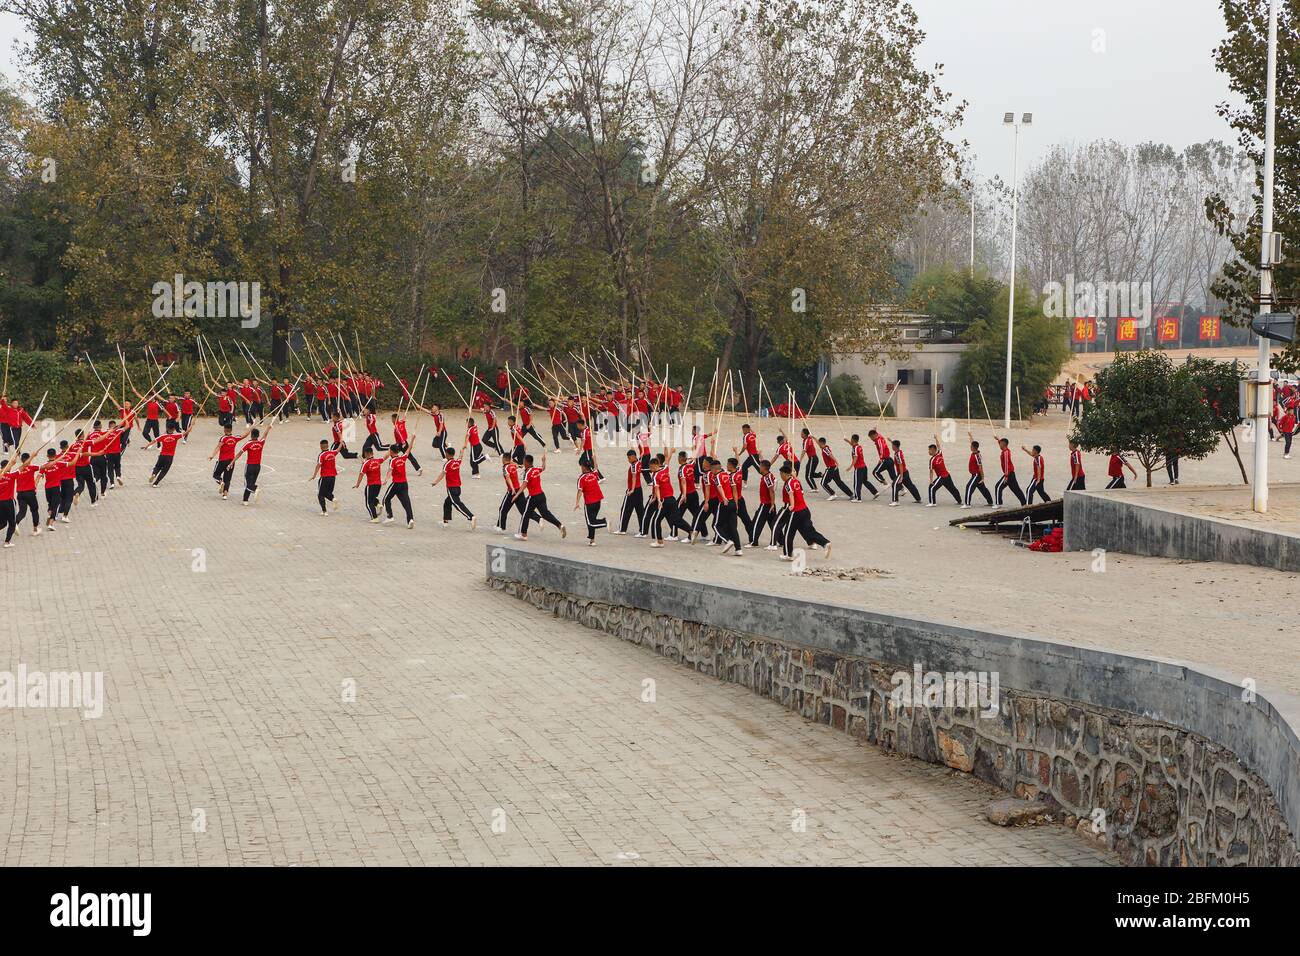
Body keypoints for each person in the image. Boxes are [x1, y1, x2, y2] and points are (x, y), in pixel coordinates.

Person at [778, 462, 830, 560]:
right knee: (809, 532)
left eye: (781, 474)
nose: (781, 476)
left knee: (788, 533)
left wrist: (792, 505)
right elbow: (800, 491)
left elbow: (791, 494)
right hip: (805, 510)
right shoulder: (796, 481)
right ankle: (825, 543)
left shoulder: (788, 484)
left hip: (796, 511)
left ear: (785, 474)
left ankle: (788, 555)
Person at [516, 452, 566, 541]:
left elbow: (524, 485)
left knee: (525, 514)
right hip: (541, 495)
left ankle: (524, 534)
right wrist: (543, 461)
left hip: (533, 497)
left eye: (524, 461)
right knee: (546, 514)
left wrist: (517, 494)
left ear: (527, 462)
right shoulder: (536, 469)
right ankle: (559, 525)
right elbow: (543, 468)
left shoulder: (528, 473)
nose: (523, 463)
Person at [432, 443, 475, 528]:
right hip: (458, 488)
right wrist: (462, 450)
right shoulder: (457, 462)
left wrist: (435, 482)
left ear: (447, 454)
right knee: (447, 502)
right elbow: (460, 457)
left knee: (457, 504)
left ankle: (470, 516)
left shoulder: (447, 464)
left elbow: (442, 474)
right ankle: (445, 520)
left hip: (451, 488)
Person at [232, 423, 273, 505]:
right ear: (258, 435)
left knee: (247, 483)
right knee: (251, 482)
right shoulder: (261, 443)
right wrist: (268, 428)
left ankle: (255, 488)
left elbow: (240, 453)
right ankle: (245, 500)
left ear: (251, 435)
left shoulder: (248, 443)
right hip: (258, 466)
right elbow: (265, 435)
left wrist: (232, 461)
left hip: (250, 466)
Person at [209, 424, 251, 500]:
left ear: (224, 429)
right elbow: (245, 435)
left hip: (222, 460)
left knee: (216, 475)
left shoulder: (223, 438)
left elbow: (218, 447)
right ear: (231, 430)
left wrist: (212, 455)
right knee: (227, 478)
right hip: (231, 461)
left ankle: (220, 482)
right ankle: (225, 495)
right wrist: (251, 428)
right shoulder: (235, 438)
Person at [383, 443, 418, 528]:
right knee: (406, 502)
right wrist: (413, 439)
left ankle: (390, 516)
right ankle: (410, 520)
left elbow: (390, 471)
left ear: (391, 451)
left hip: (396, 484)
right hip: (404, 484)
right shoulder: (402, 458)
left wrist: (386, 480)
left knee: (386, 499)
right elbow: (409, 448)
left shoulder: (392, 460)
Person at [574, 460, 607, 546]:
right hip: (598, 501)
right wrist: (595, 459)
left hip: (589, 502)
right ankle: (592, 540)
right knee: (592, 519)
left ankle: (605, 522)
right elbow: (596, 467)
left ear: (584, 467)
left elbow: (580, 491)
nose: (581, 468)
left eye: (581, 466)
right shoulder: (594, 474)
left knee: (590, 522)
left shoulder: (582, 478)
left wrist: (577, 502)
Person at [495, 452, 527, 535]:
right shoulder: (513, 466)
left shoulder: (505, 468)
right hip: (519, 489)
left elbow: (508, 479)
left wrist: (512, 489)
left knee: (502, 509)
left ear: (503, 459)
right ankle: (538, 519)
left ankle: (501, 527)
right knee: (523, 510)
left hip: (512, 491)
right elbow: (516, 465)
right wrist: (517, 464)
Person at [615, 449, 645, 535]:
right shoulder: (639, 463)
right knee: (640, 511)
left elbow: (634, 477)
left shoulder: (633, 466)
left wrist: (631, 490)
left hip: (633, 490)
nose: (628, 460)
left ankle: (622, 529)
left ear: (633, 457)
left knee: (625, 510)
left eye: (629, 458)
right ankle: (642, 530)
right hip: (639, 490)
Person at [926, 438, 961, 506]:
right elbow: (938, 445)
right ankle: (959, 500)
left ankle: (932, 503)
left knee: (931, 487)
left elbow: (931, 471)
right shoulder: (940, 453)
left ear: (933, 450)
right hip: (947, 476)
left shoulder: (932, 460)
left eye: (929, 450)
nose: (928, 452)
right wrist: (936, 438)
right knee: (953, 489)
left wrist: (931, 481)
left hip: (942, 477)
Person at [354, 446, 385, 522]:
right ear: (372, 453)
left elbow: (361, 474)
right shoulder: (377, 461)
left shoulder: (366, 463)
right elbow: (385, 457)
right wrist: (389, 450)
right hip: (378, 484)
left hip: (371, 484)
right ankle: (378, 504)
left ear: (366, 454)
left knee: (369, 502)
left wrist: (357, 484)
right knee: (372, 497)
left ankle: (374, 518)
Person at [309, 440, 340, 514]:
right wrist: (341, 443)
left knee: (321, 494)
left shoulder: (321, 455)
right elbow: (338, 450)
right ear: (327, 445)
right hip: (333, 477)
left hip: (325, 477)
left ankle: (324, 511)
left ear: (321, 446)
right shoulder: (332, 453)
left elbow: (318, 465)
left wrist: (314, 475)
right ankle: (333, 499)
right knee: (327, 493)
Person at [962, 435, 993, 509]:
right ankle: (990, 501)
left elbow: (980, 467)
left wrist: (982, 478)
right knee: (983, 489)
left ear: (973, 447)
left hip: (976, 475)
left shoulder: (977, 456)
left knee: (969, 486)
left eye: (971, 446)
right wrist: (970, 435)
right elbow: (972, 442)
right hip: (975, 475)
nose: (970, 447)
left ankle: (967, 504)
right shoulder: (975, 452)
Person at [843, 434, 877, 501]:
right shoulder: (858, 446)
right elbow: (853, 445)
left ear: (853, 440)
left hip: (859, 468)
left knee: (857, 483)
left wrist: (850, 466)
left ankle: (858, 498)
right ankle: (875, 492)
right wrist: (847, 441)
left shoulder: (855, 448)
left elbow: (855, 458)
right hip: (864, 467)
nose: (851, 440)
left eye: (851, 439)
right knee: (865, 481)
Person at [993, 437, 1026, 506]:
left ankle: (998, 504)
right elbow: (1002, 443)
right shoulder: (1006, 450)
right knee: (1016, 489)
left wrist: (1006, 476)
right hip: (1011, 473)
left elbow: (1006, 464)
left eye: (1000, 444)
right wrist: (998, 439)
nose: (999, 445)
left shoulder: (1005, 453)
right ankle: (1024, 503)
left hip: (1009, 474)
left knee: (998, 486)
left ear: (1003, 444)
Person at [888, 439, 921, 506]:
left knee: (894, 484)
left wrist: (901, 476)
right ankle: (918, 498)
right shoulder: (899, 451)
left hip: (902, 472)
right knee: (910, 486)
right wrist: (891, 441)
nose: (891, 447)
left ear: (895, 446)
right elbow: (896, 444)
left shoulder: (898, 455)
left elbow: (900, 465)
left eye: (892, 445)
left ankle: (895, 501)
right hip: (905, 472)